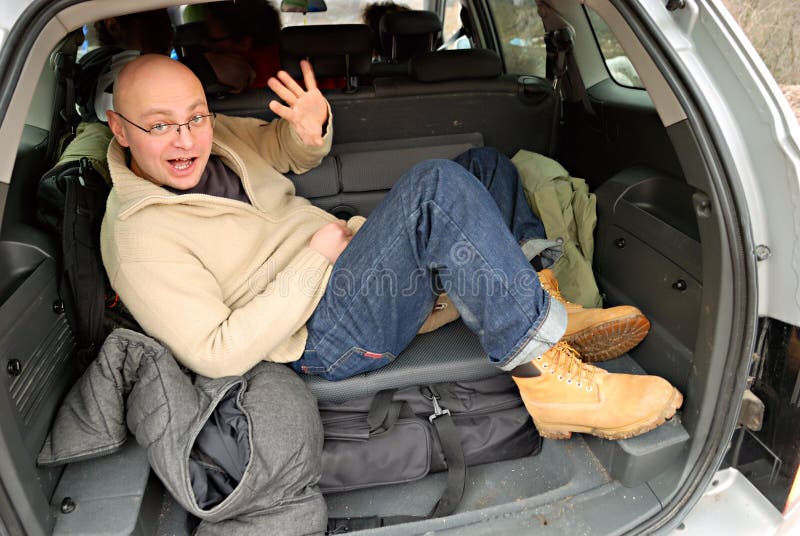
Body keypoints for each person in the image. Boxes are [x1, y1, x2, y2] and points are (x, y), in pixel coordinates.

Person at [101, 54, 682, 444]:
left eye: (194, 117)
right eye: (159, 126)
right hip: (320, 335)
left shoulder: (218, 137)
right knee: (436, 188)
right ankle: (549, 381)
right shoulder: (137, 235)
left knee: (486, 166)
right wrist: (317, 257)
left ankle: (549, 311)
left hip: (346, 266)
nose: (185, 138)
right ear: (119, 128)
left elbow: (287, 151)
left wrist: (309, 126)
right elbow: (217, 352)